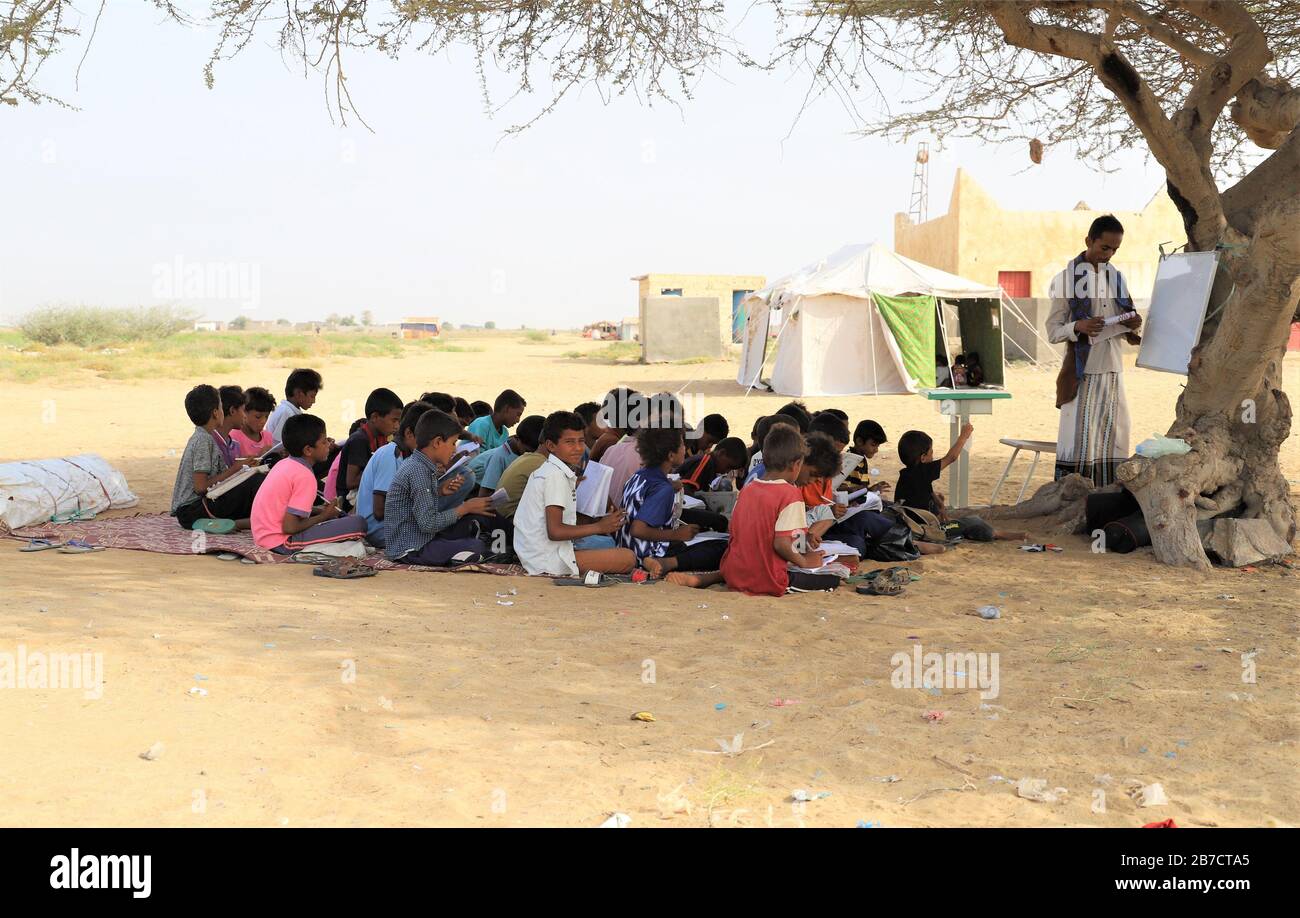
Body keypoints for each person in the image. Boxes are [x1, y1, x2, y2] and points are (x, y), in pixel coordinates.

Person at [1047, 213, 1143, 487]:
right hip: (1081, 371)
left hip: (1113, 368)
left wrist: (1131, 322)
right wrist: (1079, 325)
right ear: (1089, 241)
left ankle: (1106, 497)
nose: (1109, 254)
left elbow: (1126, 318)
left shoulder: (1117, 278)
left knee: (1113, 436)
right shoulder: (1066, 278)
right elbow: (1054, 330)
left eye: (1115, 249)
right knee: (1079, 437)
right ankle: (1073, 496)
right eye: (1105, 248)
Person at [513, 411, 634, 576]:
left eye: (581, 441)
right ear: (551, 445)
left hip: (537, 552)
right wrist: (599, 526)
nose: (578, 448)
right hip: (546, 560)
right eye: (569, 442)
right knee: (627, 557)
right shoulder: (555, 476)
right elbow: (555, 531)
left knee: (606, 542)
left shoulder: (553, 471)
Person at [383, 409, 496, 565]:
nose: (455, 449)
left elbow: (416, 504)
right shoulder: (418, 470)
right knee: (476, 545)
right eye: (452, 443)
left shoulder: (420, 465)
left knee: (472, 523)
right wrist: (465, 508)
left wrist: (439, 491)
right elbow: (428, 523)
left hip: (420, 538)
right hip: (410, 549)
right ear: (437, 442)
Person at [618, 426, 728, 578]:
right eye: (682, 444)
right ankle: (669, 563)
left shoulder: (638, 476)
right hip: (647, 552)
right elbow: (638, 530)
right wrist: (677, 534)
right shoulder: (662, 489)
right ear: (670, 455)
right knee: (723, 548)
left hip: (627, 546)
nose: (685, 448)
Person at [250, 414, 367, 552]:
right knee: (358, 523)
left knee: (340, 520)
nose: (328, 445)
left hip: (263, 537)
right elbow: (290, 527)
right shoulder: (305, 475)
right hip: (281, 542)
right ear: (308, 450)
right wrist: (324, 516)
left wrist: (321, 511)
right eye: (324, 442)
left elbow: (286, 509)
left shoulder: (284, 463)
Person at [895, 427, 1025, 542]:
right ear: (923, 457)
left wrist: (939, 504)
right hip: (925, 530)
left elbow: (927, 491)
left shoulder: (906, 475)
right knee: (972, 522)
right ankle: (999, 534)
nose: (933, 457)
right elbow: (951, 457)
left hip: (913, 526)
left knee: (952, 514)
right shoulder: (923, 471)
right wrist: (964, 435)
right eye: (931, 453)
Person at [170, 384, 263, 531]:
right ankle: (256, 520)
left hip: (197, 508)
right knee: (255, 482)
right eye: (221, 407)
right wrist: (235, 469)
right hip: (191, 511)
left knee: (252, 480)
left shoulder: (206, 437)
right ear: (215, 413)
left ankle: (243, 522)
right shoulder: (203, 440)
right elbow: (200, 487)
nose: (222, 411)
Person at [357, 401, 433, 548]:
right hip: (379, 529)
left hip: (393, 525)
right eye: (425, 440)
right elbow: (379, 511)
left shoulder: (409, 457)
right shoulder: (390, 454)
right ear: (409, 434)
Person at [334, 388, 403, 511]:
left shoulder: (381, 437)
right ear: (375, 417)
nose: (397, 426)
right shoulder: (359, 440)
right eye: (394, 420)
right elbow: (351, 481)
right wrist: (381, 471)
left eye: (399, 421)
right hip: (350, 505)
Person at [469, 414, 544, 492]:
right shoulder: (500, 457)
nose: (531, 455)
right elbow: (485, 492)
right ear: (517, 439)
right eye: (527, 451)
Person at [266, 368, 323, 448]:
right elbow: (281, 445)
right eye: (312, 396)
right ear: (299, 393)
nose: (314, 401)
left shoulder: (291, 411)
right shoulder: (286, 412)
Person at [679, 437, 748, 494]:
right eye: (728, 467)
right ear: (721, 453)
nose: (727, 472)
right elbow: (685, 487)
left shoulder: (711, 466)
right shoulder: (705, 462)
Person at [231, 386, 276, 457]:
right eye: (258, 417)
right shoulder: (233, 438)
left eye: (266, 416)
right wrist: (260, 457)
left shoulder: (268, 437)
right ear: (244, 411)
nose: (263, 421)